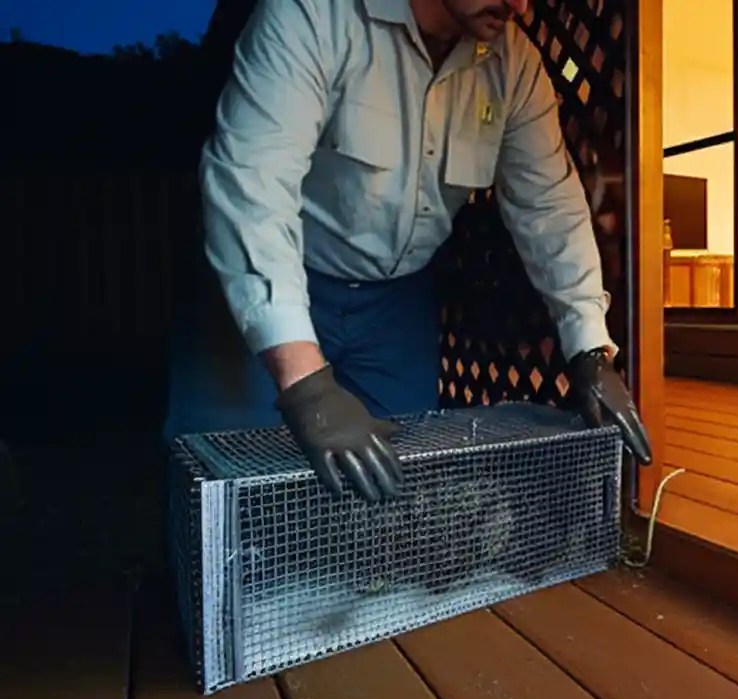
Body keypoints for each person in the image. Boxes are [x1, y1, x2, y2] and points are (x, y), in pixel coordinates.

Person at [164, 0, 652, 503]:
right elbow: (253, 182)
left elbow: (549, 206)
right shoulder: (311, 14)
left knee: (396, 491)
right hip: (272, 281)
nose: (521, 6)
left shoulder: (515, 62)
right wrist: (305, 384)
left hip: (397, 305)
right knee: (227, 482)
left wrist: (591, 350)